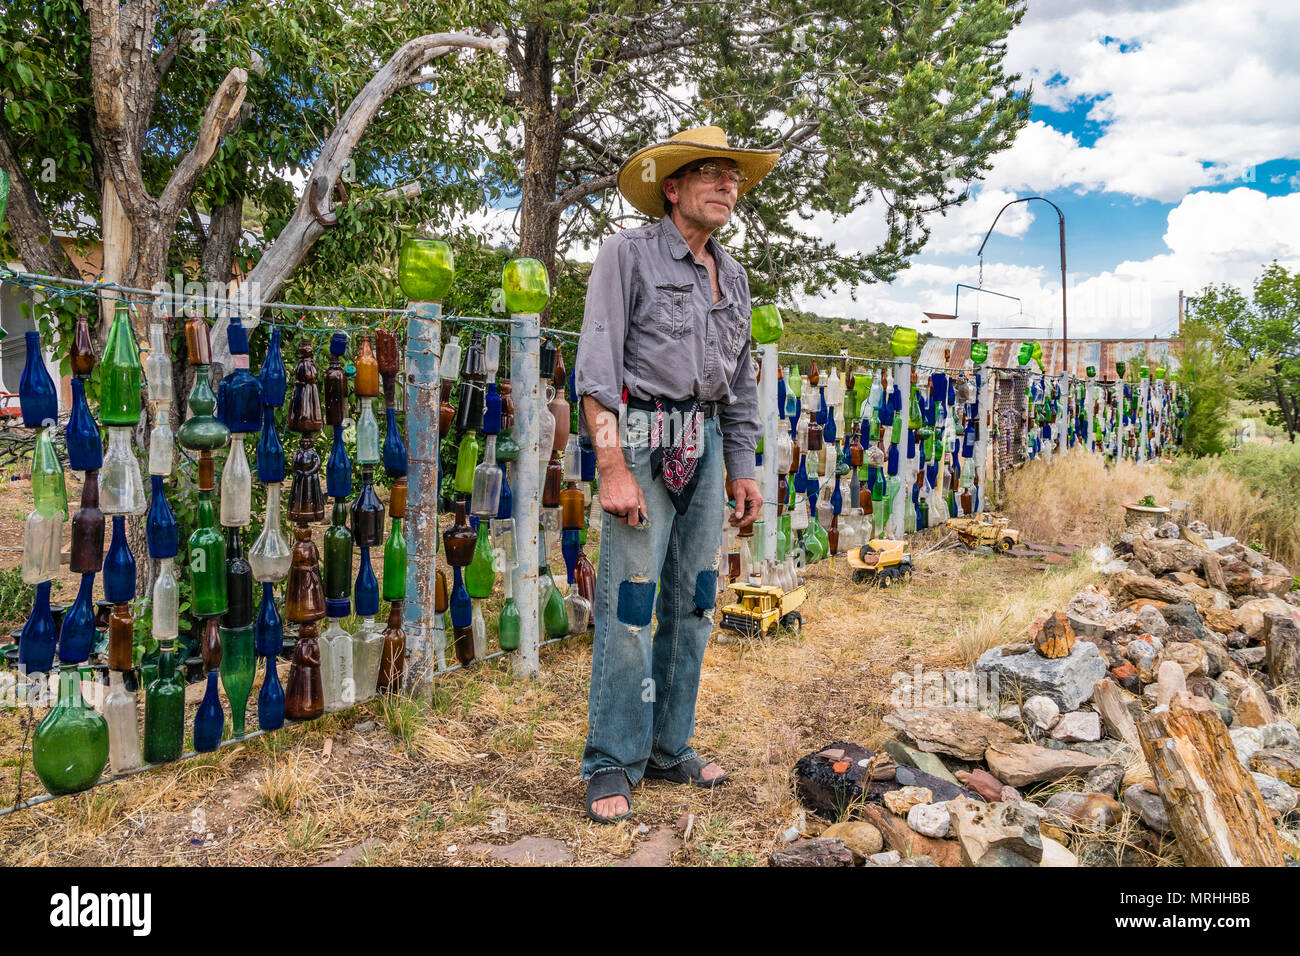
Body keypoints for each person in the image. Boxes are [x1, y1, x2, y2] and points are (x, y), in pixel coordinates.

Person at [574, 126, 780, 823]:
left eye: (734, 177)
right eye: (714, 175)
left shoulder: (736, 276)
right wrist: (610, 465)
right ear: (672, 187)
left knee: (694, 601)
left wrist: (744, 468)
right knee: (631, 607)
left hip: (709, 439)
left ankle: (668, 746)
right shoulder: (626, 255)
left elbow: (741, 385)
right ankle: (611, 760)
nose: (730, 187)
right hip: (638, 435)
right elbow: (596, 371)